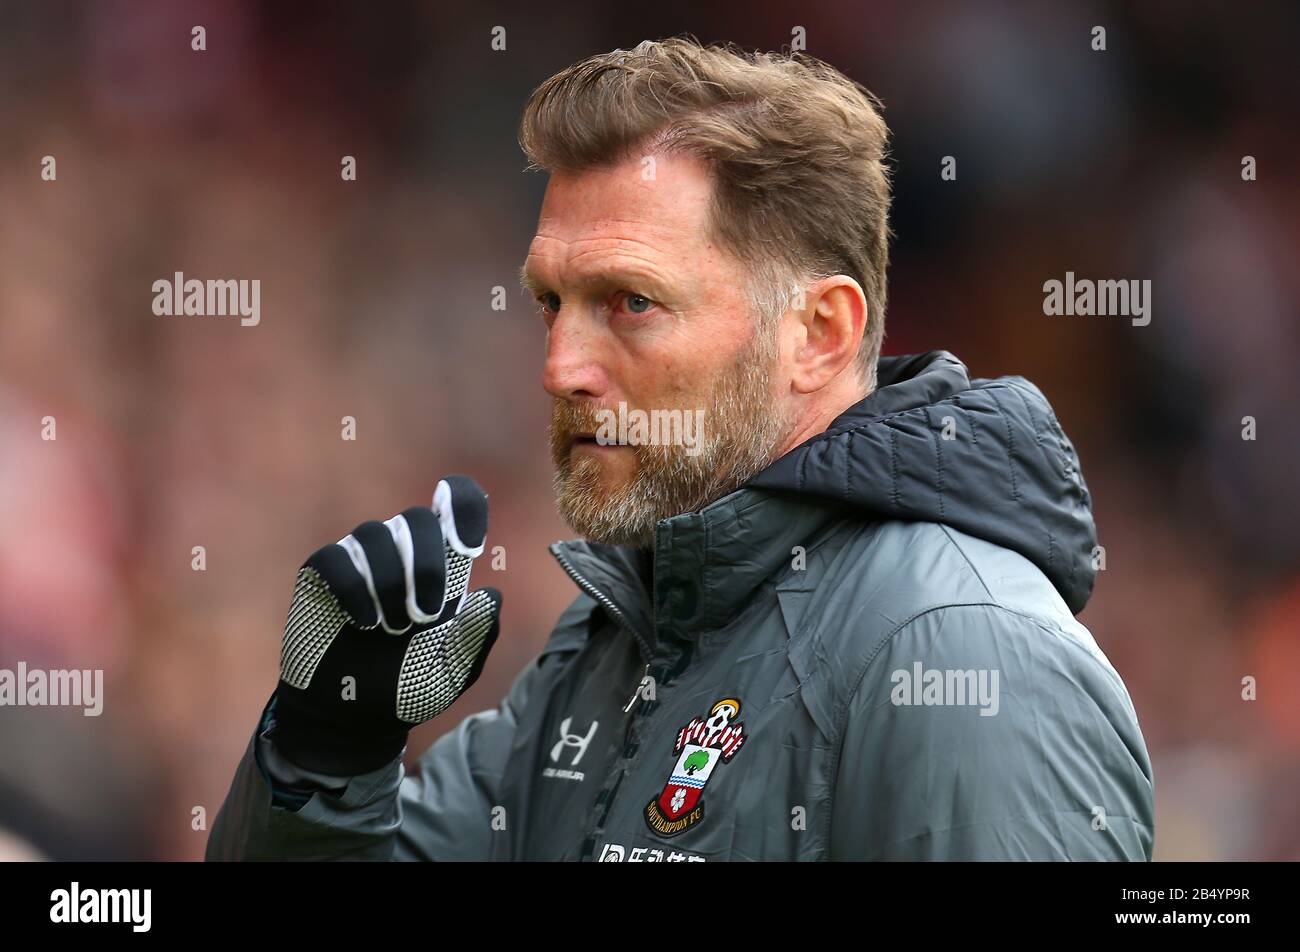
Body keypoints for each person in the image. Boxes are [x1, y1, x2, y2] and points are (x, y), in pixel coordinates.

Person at [207, 37, 1154, 862]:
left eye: (631, 302)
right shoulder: (619, 635)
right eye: (552, 304)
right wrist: (328, 751)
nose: (560, 367)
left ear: (818, 331)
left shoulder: (967, 661)